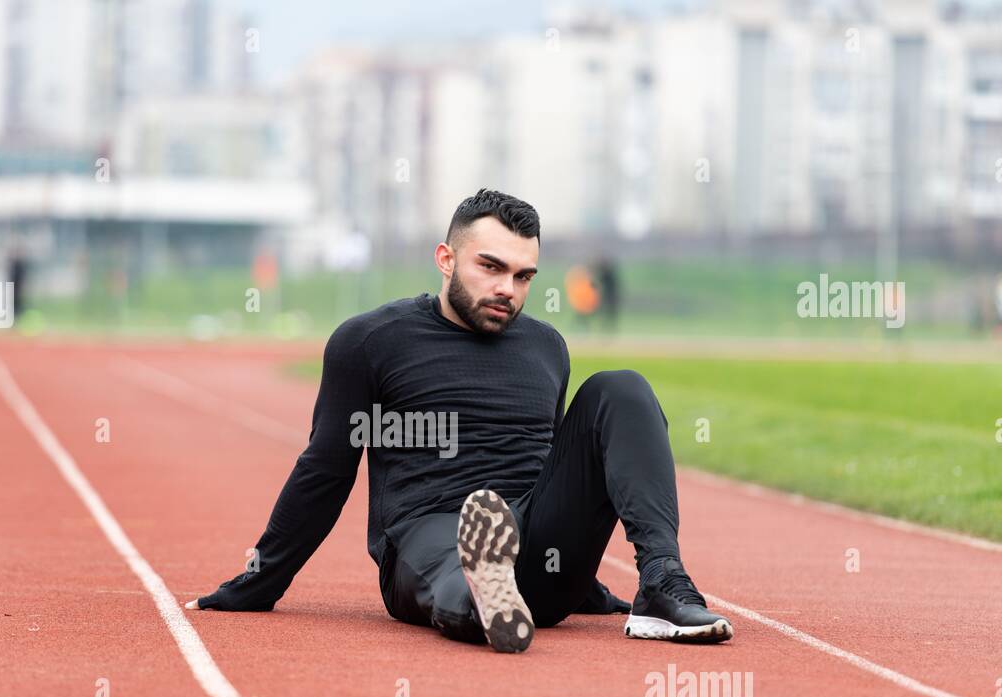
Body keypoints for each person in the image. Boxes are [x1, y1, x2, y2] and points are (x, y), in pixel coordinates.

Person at [186, 188, 732, 653]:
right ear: (446, 258)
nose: (507, 290)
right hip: (429, 530)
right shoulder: (371, 342)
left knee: (622, 388)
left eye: (523, 276)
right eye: (490, 267)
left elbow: (563, 472)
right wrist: (259, 580)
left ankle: (661, 579)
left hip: (538, 547)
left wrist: (586, 584)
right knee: (455, 561)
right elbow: (326, 471)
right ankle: (484, 597)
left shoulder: (547, 347)